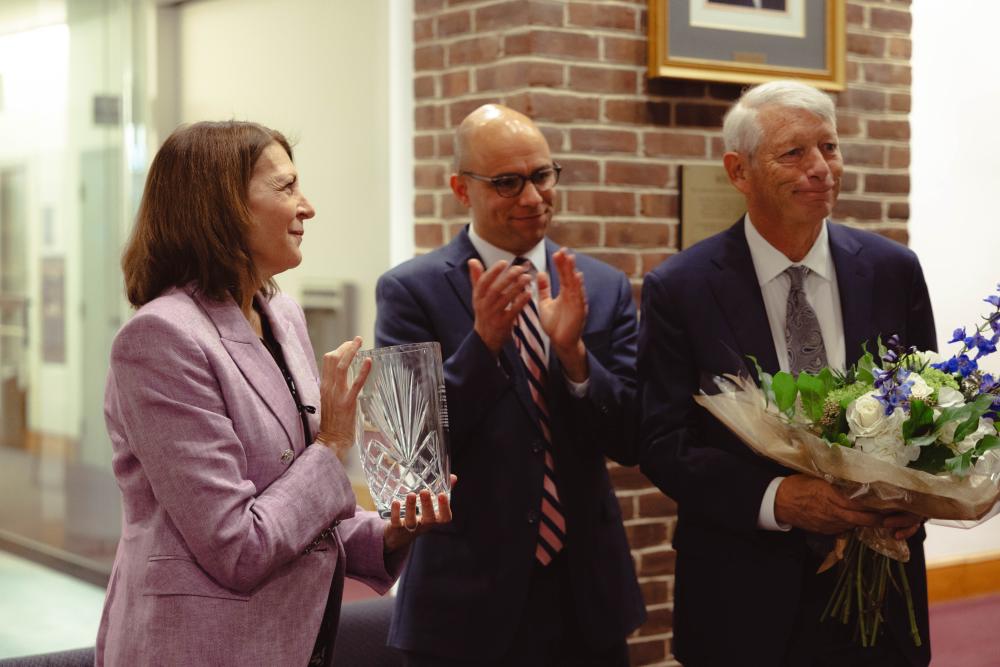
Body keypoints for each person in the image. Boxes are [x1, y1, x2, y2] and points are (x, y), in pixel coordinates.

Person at [96, 121, 452, 666]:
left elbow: (296, 498)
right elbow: (237, 545)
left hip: (297, 641)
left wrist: (390, 535)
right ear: (220, 209)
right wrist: (332, 443)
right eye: (286, 188)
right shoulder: (160, 337)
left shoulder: (281, 314)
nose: (307, 207)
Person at [638, 81, 934, 667]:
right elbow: (662, 443)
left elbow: (928, 407)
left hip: (882, 594)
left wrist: (919, 496)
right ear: (739, 171)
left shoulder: (893, 269)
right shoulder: (681, 289)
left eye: (829, 147)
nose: (820, 167)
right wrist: (777, 499)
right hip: (742, 594)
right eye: (793, 153)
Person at [375, 104, 645, 666]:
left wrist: (574, 358)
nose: (532, 197)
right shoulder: (410, 291)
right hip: (464, 601)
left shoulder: (602, 286)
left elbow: (630, 437)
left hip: (585, 594)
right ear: (461, 189)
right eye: (507, 183)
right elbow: (408, 452)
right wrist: (484, 344)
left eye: (542, 175)